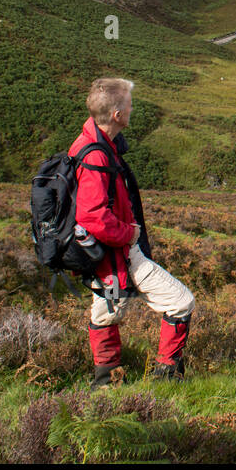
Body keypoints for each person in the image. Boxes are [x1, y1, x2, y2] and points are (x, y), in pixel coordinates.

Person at [70, 77, 194, 387]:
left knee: (106, 311)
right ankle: (165, 376)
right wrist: (128, 234)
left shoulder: (92, 143)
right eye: (129, 105)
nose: (132, 109)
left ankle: (107, 380)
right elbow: (93, 217)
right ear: (116, 115)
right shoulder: (96, 156)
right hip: (118, 253)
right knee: (179, 301)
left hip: (109, 255)